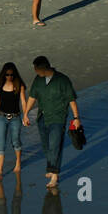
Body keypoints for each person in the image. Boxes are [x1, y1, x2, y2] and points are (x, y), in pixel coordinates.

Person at [23, 56, 81, 188]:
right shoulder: (38, 80)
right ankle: (51, 166)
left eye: (36, 69)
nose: (35, 71)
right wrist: (26, 113)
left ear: (43, 68)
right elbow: (32, 97)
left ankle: (55, 175)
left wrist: (76, 118)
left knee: (55, 145)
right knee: (46, 146)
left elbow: (71, 100)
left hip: (58, 118)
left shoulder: (62, 80)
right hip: (42, 118)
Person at [0, 62, 27, 178]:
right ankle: (0, 171)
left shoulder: (19, 85)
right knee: (0, 144)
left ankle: (18, 163)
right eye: (7, 75)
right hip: (1, 117)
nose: (9, 77)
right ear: (3, 75)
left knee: (15, 141)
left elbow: (23, 101)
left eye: (11, 75)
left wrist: (25, 116)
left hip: (15, 117)